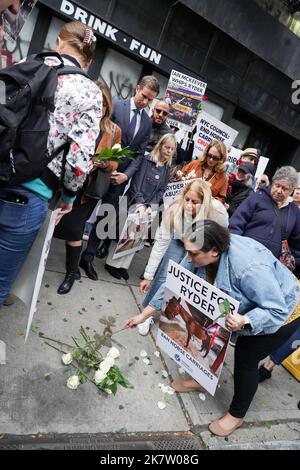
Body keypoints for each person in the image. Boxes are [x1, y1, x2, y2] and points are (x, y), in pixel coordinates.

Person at [124, 220, 300, 437]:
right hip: (248, 304)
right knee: (204, 331)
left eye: (193, 254)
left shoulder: (249, 267)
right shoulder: (198, 252)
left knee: (246, 356)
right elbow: (176, 281)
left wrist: (245, 320)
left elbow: (276, 309)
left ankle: (237, 414)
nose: (188, 258)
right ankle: (200, 379)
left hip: (283, 310)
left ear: (214, 250)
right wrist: (144, 314)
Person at [0, 20, 102, 307]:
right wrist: (69, 196)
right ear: (89, 60)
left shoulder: (28, 63)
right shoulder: (89, 93)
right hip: (30, 193)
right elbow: (79, 161)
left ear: (60, 42)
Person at [80, 75, 160, 280]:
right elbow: (103, 134)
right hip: (101, 170)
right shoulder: (116, 105)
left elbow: (140, 153)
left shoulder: (147, 123)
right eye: (144, 96)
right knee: (84, 210)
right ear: (137, 89)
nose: (146, 102)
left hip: (119, 179)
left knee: (103, 220)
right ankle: (72, 250)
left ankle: (87, 258)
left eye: (150, 99)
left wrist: (126, 175)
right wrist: (109, 163)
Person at [54, 81, 121, 295]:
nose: (98, 107)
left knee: (74, 232)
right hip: (63, 181)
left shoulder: (113, 130)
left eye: (103, 104)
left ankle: (71, 272)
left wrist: (105, 163)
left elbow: (116, 162)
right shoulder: (80, 117)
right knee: (48, 225)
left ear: (108, 106)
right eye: (96, 102)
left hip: (87, 189)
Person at [137, 180, 229, 335]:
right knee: (165, 275)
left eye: (195, 202)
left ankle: (177, 313)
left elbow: (223, 239)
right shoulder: (174, 208)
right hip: (179, 240)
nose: (189, 205)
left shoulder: (217, 212)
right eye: (187, 200)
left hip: (202, 246)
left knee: (192, 280)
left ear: (204, 202)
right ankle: (148, 313)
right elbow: (160, 242)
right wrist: (148, 275)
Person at [104, 133, 176, 280]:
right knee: (125, 235)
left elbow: (162, 189)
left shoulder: (167, 169)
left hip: (150, 207)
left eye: (172, 149)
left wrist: (152, 206)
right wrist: (141, 203)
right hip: (135, 202)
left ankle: (123, 266)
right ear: (160, 146)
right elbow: (136, 184)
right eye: (167, 147)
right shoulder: (146, 160)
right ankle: (111, 264)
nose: (169, 151)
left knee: (137, 239)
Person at [229, 166, 300, 273]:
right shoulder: (257, 198)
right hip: (241, 258)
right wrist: (235, 250)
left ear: (292, 190)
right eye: (277, 185)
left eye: (284, 188)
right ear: (273, 182)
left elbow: (297, 244)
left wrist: (289, 268)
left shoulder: (294, 211)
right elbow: (236, 224)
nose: (279, 191)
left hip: (268, 269)